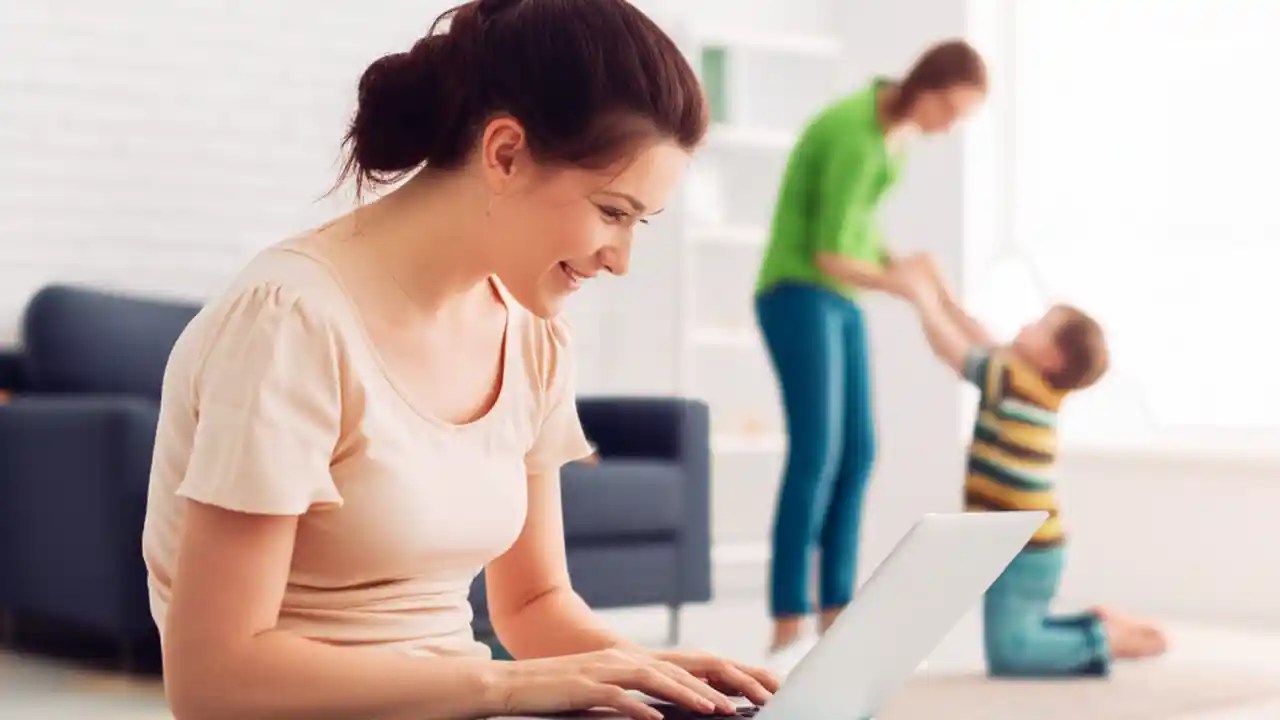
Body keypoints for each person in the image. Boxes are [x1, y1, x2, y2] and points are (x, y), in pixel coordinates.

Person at [140, 1, 778, 718]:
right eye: (611, 212)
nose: (622, 259)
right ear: (504, 152)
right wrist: (503, 685)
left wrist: (651, 674)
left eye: (641, 223)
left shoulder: (533, 337)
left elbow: (535, 603)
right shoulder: (292, 324)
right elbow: (212, 680)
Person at [753, 39, 988, 666]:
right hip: (799, 291)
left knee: (857, 451)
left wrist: (902, 264)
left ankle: (836, 613)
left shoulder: (894, 133)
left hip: (839, 296)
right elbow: (828, 252)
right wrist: (903, 285)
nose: (948, 129)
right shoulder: (853, 134)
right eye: (952, 112)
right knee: (816, 454)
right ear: (929, 89)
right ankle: (786, 621)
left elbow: (856, 230)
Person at [899, 263, 1169, 676]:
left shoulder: (1011, 379)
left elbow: (953, 348)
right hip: (1029, 542)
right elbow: (979, 335)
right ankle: (1095, 626)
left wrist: (921, 299)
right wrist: (945, 296)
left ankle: (1103, 638)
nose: (1027, 324)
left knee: (1011, 653)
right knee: (1022, 633)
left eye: (1040, 325)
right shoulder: (1029, 380)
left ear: (1052, 357)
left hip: (1023, 546)